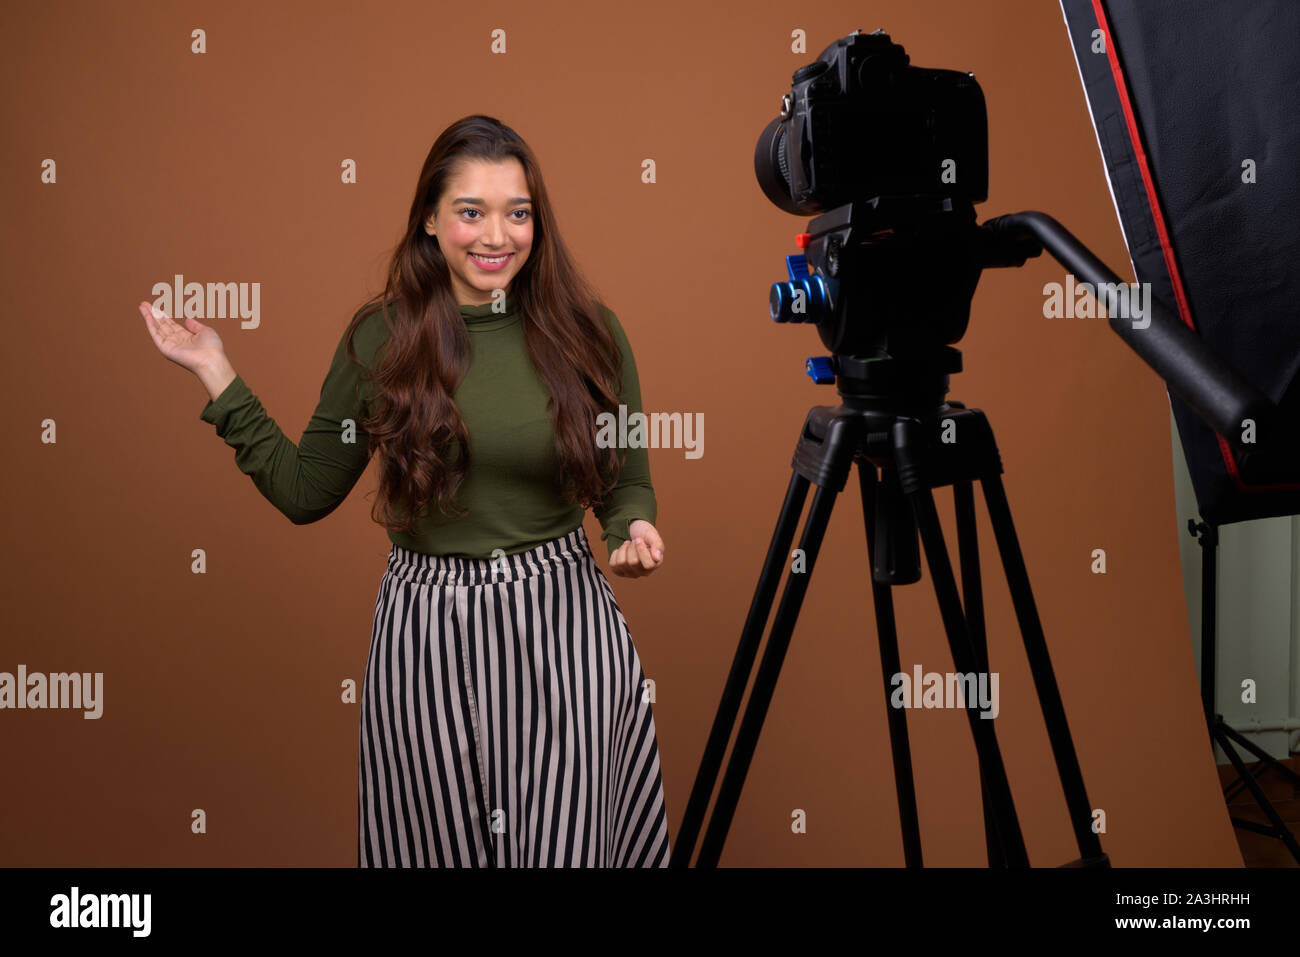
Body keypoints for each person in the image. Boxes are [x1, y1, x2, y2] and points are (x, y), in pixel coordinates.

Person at [139, 114, 671, 867]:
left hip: (563, 628)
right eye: (471, 211)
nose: (498, 235)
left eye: (518, 213)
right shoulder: (380, 340)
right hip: (426, 636)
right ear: (429, 218)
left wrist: (632, 525)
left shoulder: (589, 331)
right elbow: (304, 490)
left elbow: (624, 479)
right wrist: (215, 372)